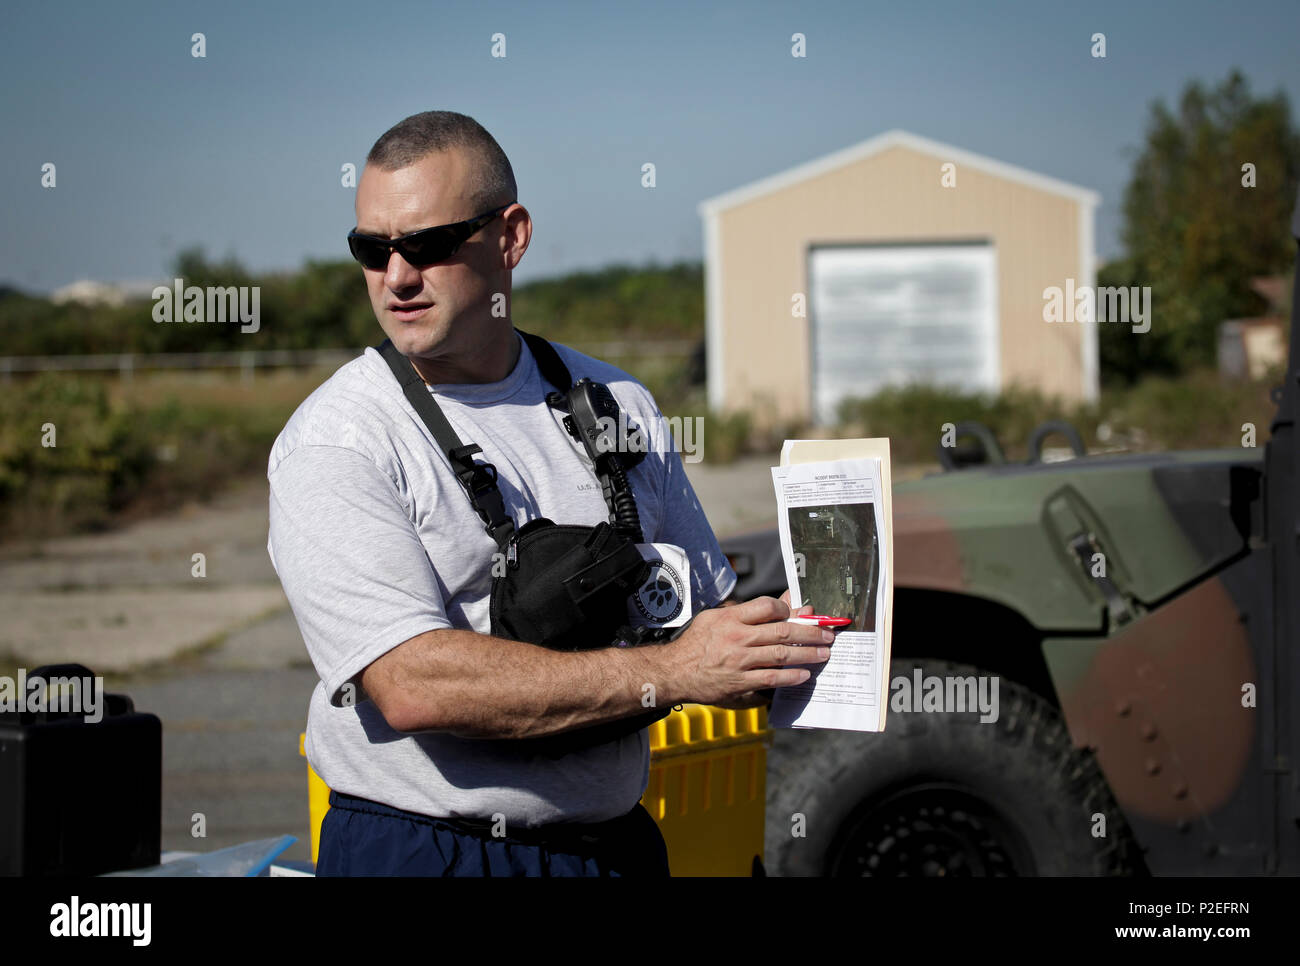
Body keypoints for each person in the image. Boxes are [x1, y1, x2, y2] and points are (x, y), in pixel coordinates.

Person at [266, 110, 833, 876]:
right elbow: (412, 683)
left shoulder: (617, 403)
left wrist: (810, 639)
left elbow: (699, 625)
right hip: (425, 853)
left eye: (427, 245)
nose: (397, 276)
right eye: (372, 249)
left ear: (511, 237)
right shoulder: (340, 439)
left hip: (612, 846)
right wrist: (673, 675)